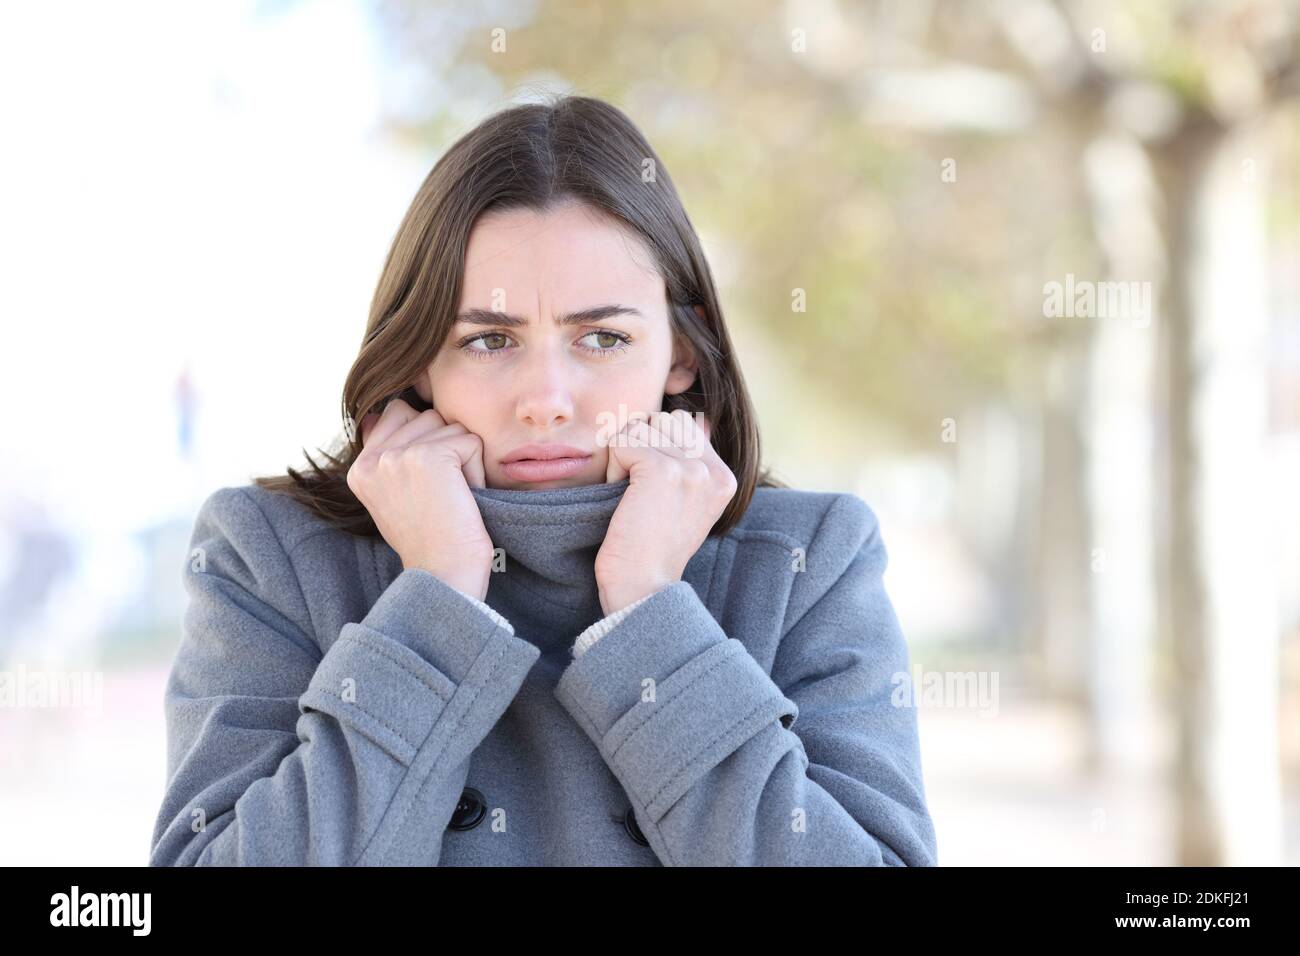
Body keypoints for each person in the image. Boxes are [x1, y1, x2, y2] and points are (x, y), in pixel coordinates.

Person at [148, 94, 938, 866]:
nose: (546, 403)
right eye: (489, 341)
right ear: (420, 356)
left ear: (682, 354)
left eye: (601, 337)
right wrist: (437, 603)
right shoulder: (272, 555)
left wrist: (651, 610)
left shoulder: (806, 560)